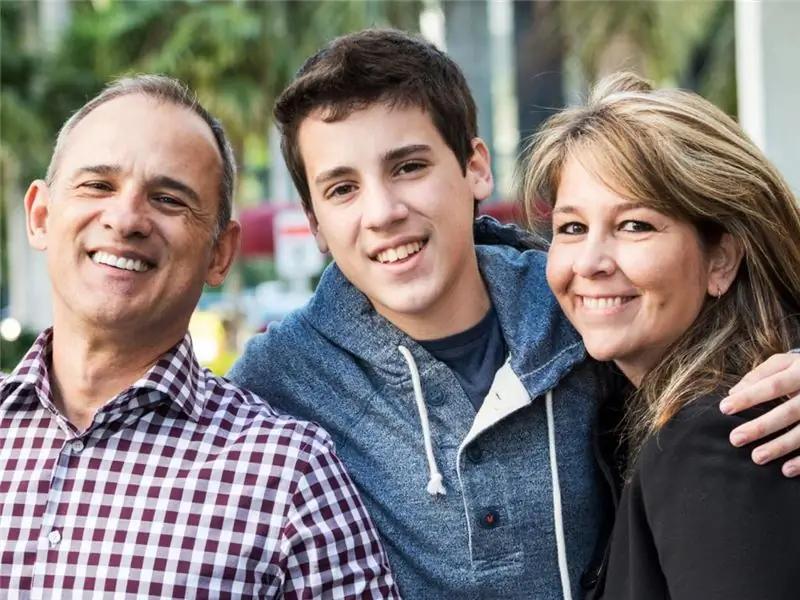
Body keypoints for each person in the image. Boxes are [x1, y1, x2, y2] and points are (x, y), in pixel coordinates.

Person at [228, 29, 800, 599]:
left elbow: (744, 313)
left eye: (408, 167)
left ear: (476, 167)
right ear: (314, 221)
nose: (382, 212)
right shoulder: (274, 383)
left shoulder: (586, 313)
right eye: (342, 189)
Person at [0, 75, 399, 599]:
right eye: (97, 185)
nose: (125, 219)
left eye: (168, 199)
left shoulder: (289, 475)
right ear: (41, 216)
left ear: (220, 254)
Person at [525, 72, 800, 599]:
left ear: (721, 258)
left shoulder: (717, 436)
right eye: (572, 228)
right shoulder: (626, 403)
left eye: (635, 225)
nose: (590, 263)